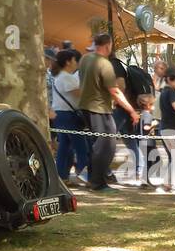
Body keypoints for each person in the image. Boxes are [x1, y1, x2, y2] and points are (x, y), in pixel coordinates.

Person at [78, 33, 138, 191]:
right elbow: (115, 91)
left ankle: (93, 179)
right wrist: (132, 110)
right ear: (108, 45)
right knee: (107, 146)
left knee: (97, 145)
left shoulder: (85, 59)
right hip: (99, 109)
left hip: (85, 107)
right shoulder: (104, 64)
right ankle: (98, 183)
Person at [50, 49, 90, 185]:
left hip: (59, 115)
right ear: (68, 62)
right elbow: (81, 94)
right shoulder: (66, 77)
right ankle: (85, 176)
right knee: (81, 147)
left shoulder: (59, 76)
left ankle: (61, 176)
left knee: (64, 147)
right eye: (74, 60)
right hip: (68, 116)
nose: (76, 63)